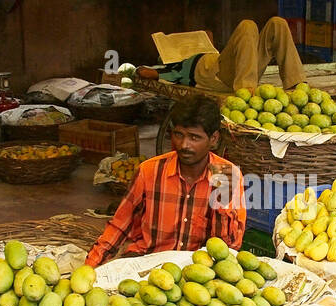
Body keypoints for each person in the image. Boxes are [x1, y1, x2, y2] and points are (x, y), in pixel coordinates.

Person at [86, 96, 246, 267]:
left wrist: (222, 198)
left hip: (196, 270)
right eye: (179, 135)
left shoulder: (227, 175)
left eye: (194, 137)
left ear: (213, 139)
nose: (184, 145)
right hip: (146, 260)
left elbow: (229, 246)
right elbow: (119, 226)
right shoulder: (149, 171)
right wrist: (90, 267)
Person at [191, 16, 305, 93]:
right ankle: (245, 90)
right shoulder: (181, 60)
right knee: (247, 25)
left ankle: (296, 84)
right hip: (219, 75)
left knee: (278, 23)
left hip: (242, 70)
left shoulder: (211, 51)